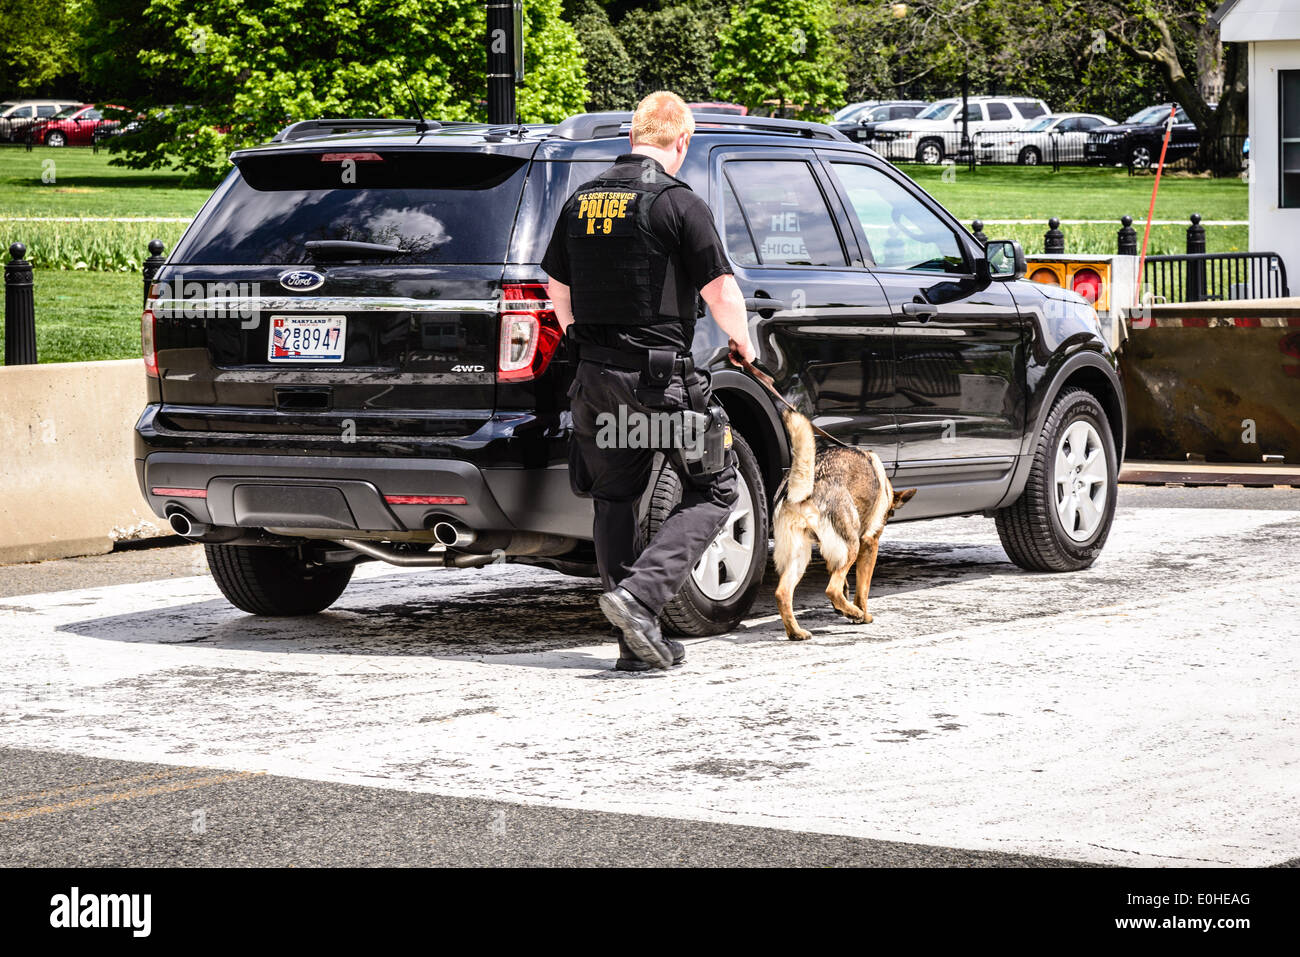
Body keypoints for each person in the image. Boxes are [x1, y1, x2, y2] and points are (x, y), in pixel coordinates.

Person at [542, 91, 755, 672]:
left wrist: (580, 337)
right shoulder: (678, 202)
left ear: (632, 134)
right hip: (659, 383)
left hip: (595, 377)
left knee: (614, 499)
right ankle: (640, 596)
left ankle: (635, 644)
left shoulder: (580, 201)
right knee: (717, 489)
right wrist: (744, 341)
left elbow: (556, 288)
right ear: (681, 141)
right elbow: (720, 292)